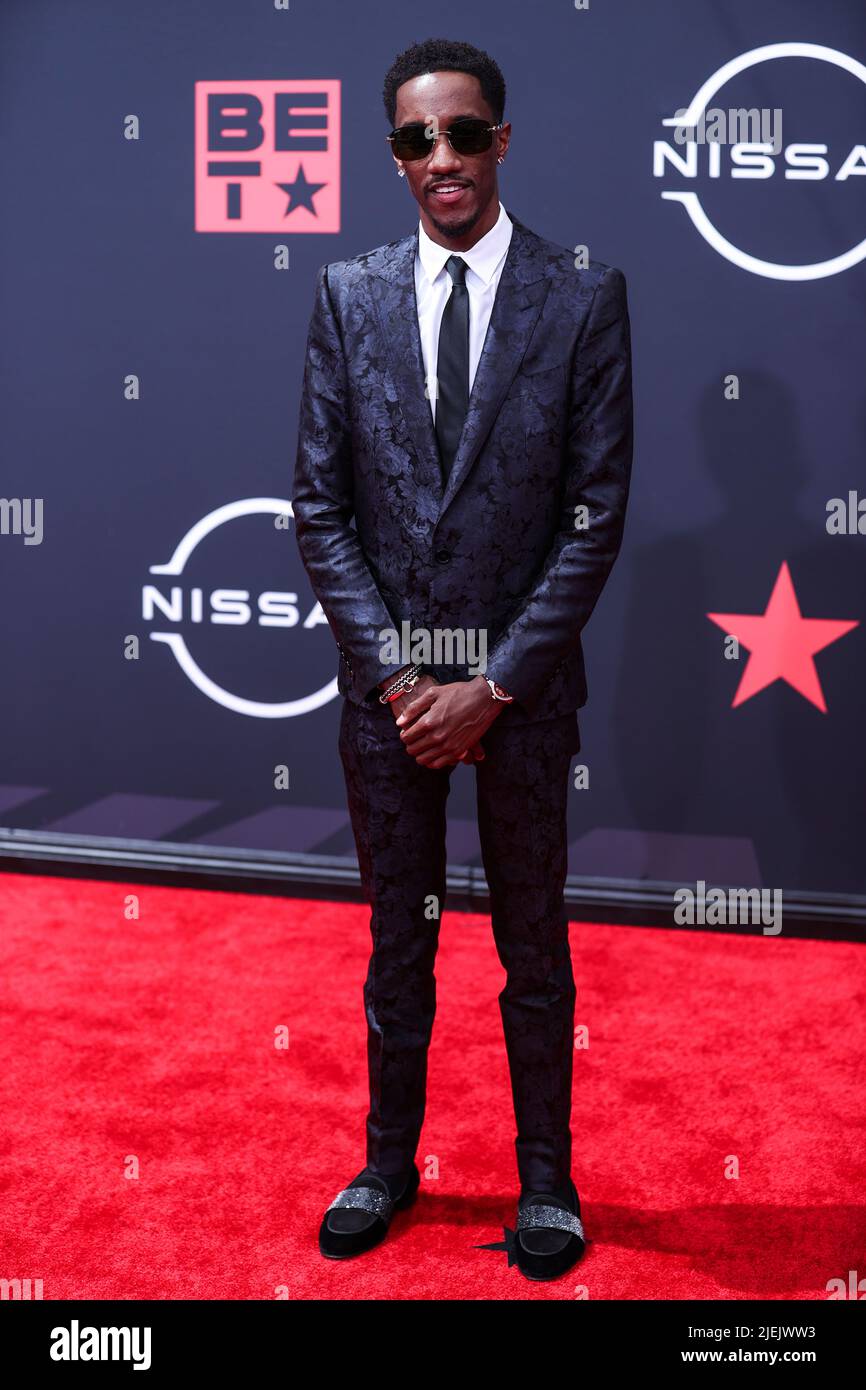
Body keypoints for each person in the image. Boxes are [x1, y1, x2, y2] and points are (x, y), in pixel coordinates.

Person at [292, 36, 633, 1281]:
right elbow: (318, 507)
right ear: (392, 155)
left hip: (519, 696)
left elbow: (593, 514)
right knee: (397, 941)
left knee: (533, 943)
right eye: (413, 140)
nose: (440, 158)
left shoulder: (583, 295)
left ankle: (546, 1180)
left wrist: (488, 687)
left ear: (501, 138)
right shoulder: (346, 293)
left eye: (461, 132)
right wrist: (401, 680)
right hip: (389, 699)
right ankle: (388, 1164)